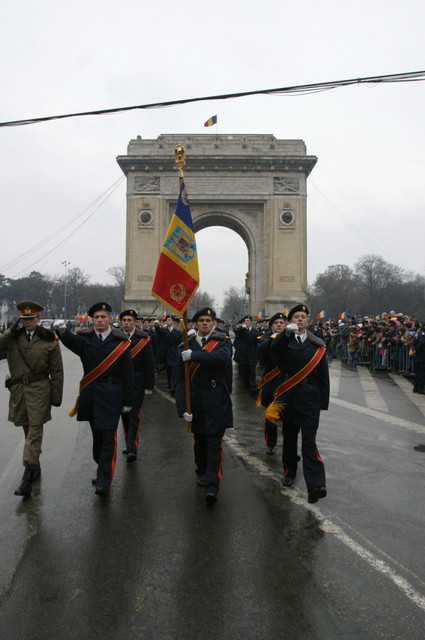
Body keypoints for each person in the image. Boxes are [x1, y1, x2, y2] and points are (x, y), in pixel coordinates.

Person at [54, 302, 133, 497]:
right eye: (96, 317)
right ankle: (102, 469)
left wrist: (127, 401)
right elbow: (72, 342)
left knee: (108, 438)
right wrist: (63, 332)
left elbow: (128, 375)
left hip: (112, 395)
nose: (99, 320)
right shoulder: (85, 339)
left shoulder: (121, 342)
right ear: (92, 320)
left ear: (110, 319)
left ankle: (104, 482)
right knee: (98, 439)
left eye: (103, 317)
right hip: (91, 394)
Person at [0, 300, 64, 498]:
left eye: (32, 318)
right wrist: (9, 330)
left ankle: (28, 472)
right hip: (18, 390)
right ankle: (35, 466)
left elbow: (57, 371)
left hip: (39, 390)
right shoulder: (12, 339)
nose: (28, 322)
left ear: (39, 318)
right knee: (27, 429)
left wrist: (56, 397)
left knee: (35, 430)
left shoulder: (49, 340)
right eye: (25, 318)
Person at [270, 304, 329, 504]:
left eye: (303, 316)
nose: (300, 319)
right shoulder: (284, 341)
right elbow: (273, 350)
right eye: (296, 316)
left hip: (310, 397)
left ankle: (316, 485)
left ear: (308, 320)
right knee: (289, 439)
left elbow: (323, 375)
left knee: (309, 441)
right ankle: (289, 471)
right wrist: (285, 334)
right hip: (289, 396)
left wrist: (323, 402)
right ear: (290, 321)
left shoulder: (316, 344)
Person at [175, 307, 233, 507]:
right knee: (200, 441)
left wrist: (194, 356)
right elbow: (180, 380)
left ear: (214, 323)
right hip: (195, 400)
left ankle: (212, 486)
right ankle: (201, 470)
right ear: (195, 323)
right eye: (201, 320)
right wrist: (182, 408)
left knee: (214, 444)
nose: (205, 323)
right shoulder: (185, 345)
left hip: (216, 398)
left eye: (208, 320)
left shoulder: (223, 342)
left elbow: (222, 358)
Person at [119, 309, 155, 463]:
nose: (126, 323)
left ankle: (132, 448)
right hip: (120, 383)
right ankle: (128, 441)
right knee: (124, 415)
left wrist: (149, 385)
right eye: (124, 320)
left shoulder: (143, 339)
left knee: (134, 415)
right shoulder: (116, 337)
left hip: (137, 381)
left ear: (135, 322)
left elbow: (149, 363)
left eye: (129, 320)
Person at [256, 312, 287, 455]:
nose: (279, 325)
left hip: (288, 382)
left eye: (282, 323)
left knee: (289, 417)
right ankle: (271, 442)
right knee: (271, 415)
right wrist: (273, 339)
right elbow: (260, 350)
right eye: (276, 323)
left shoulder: (291, 337)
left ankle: (289, 447)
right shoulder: (266, 338)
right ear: (271, 326)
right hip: (271, 382)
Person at [233, 315, 260, 396]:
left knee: (251, 372)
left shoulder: (255, 331)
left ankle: (253, 388)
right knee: (245, 372)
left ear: (251, 322)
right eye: (245, 321)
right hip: (244, 355)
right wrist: (242, 328)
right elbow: (237, 334)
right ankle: (246, 386)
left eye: (248, 320)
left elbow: (257, 343)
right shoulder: (242, 330)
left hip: (252, 354)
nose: (246, 322)